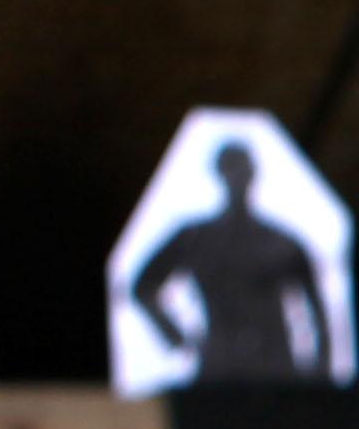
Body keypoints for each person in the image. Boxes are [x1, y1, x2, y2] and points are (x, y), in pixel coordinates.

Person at [127, 141, 339, 385]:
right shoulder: (196, 237)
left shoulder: (280, 241)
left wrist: (321, 372)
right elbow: (143, 286)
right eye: (233, 170)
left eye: (243, 170)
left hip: (275, 369)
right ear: (221, 174)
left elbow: (318, 309)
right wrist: (177, 336)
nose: (239, 178)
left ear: (253, 174)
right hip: (220, 368)